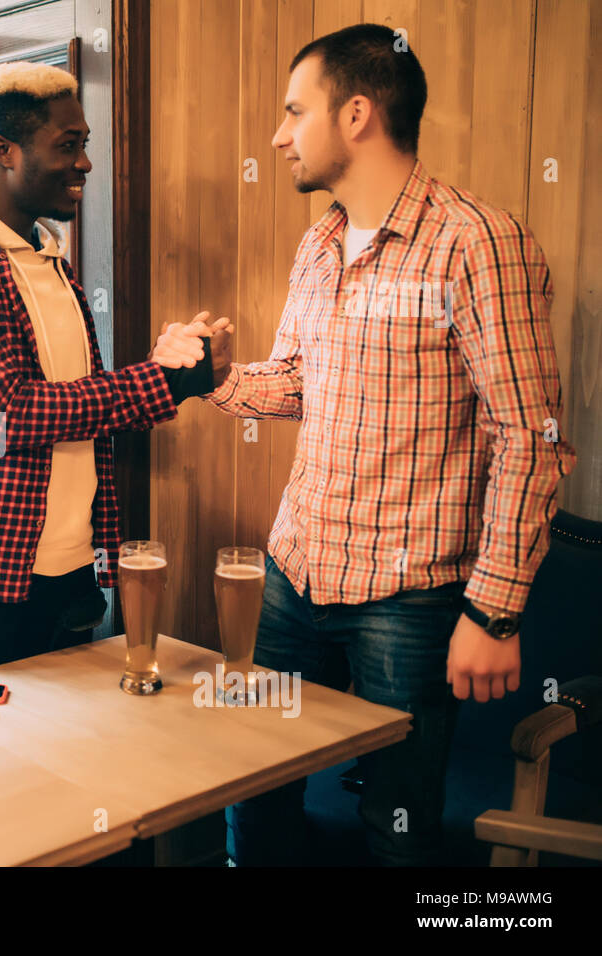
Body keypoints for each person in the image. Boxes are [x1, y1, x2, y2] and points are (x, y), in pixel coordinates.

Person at [196, 23, 577, 865]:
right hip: (296, 573)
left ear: (358, 113)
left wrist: (495, 610)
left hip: (410, 598)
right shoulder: (319, 243)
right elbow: (298, 383)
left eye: (296, 112)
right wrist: (215, 376)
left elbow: (531, 439)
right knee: (253, 801)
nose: (278, 134)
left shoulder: (480, 242)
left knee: (397, 832)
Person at [0, 60, 232, 683]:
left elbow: (78, 402)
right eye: (67, 146)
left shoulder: (49, 260)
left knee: (69, 761)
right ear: (5, 151)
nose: (85, 164)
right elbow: (4, 413)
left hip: (73, 563)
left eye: (85, 145)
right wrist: (161, 381)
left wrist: (174, 361)